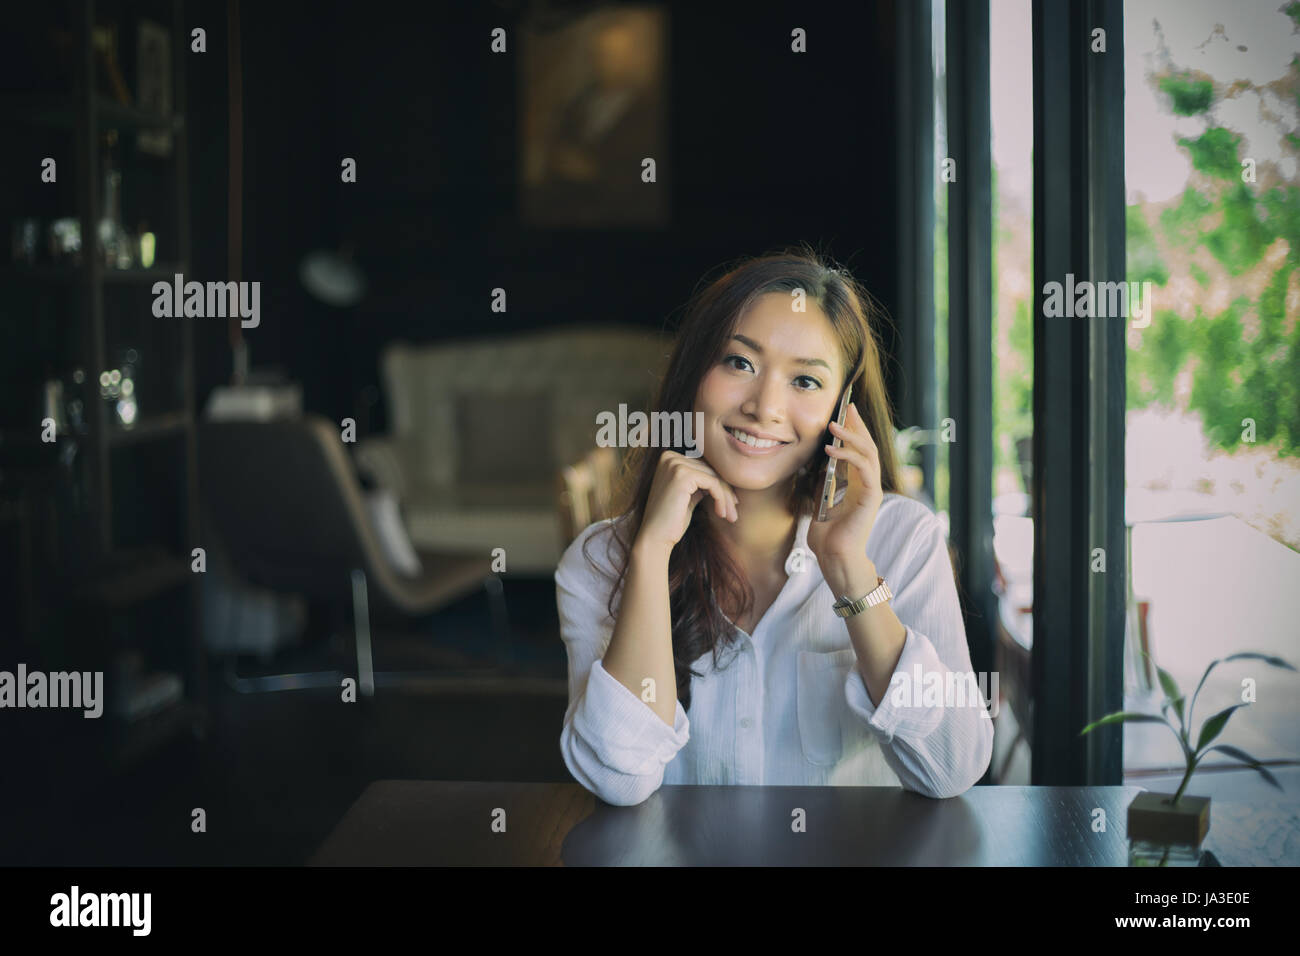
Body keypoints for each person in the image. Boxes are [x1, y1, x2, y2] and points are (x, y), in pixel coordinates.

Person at [557, 245, 994, 806]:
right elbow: (618, 780)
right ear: (694, 374)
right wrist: (650, 557)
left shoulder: (903, 539)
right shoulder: (603, 558)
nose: (765, 406)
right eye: (739, 363)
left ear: (843, 411)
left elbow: (951, 768)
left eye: (806, 382)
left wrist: (848, 569)